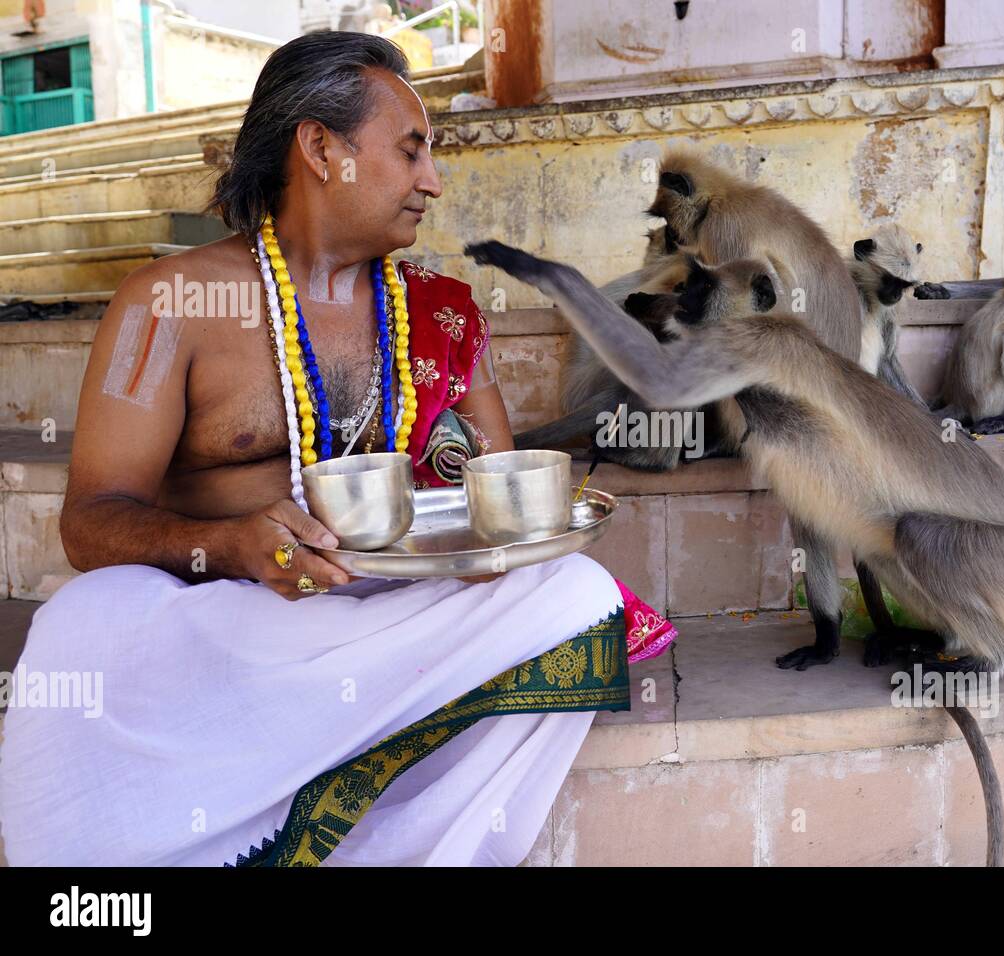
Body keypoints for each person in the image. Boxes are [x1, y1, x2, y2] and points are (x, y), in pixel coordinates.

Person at [0, 31, 665, 867]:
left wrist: (497, 538)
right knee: (81, 623)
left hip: (396, 612)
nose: (434, 180)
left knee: (574, 595)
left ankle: (397, 849)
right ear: (321, 148)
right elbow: (91, 524)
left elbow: (501, 504)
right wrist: (232, 549)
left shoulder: (444, 312)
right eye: (412, 150)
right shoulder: (167, 304)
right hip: (236, 621)